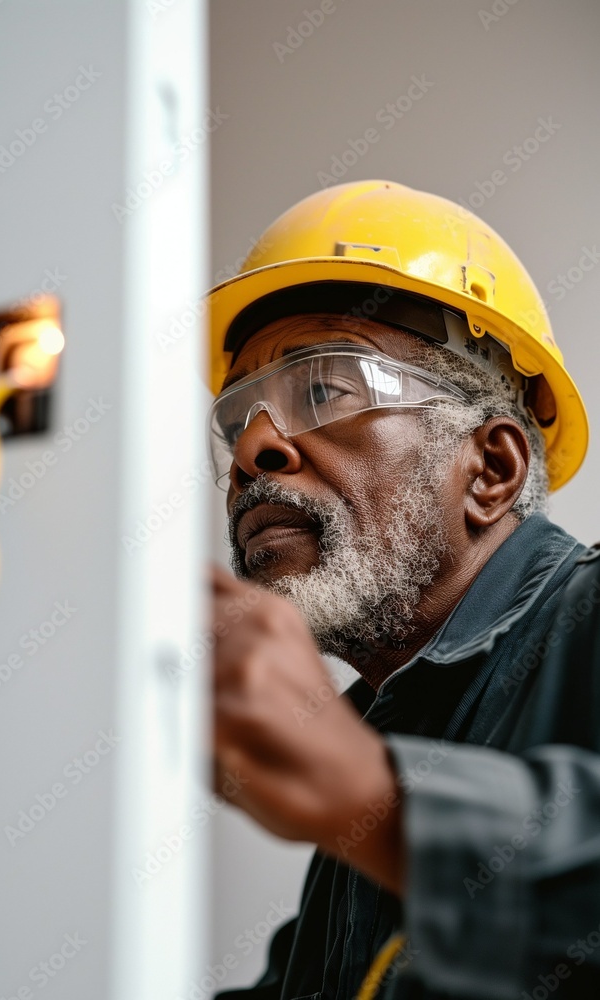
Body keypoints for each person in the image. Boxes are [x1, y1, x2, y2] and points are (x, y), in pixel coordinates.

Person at [207, 180, 600, 999]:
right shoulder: (381, 726)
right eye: (236, 421)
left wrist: (377, 797)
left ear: (489, 469)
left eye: (324, 389)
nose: (253, 450)